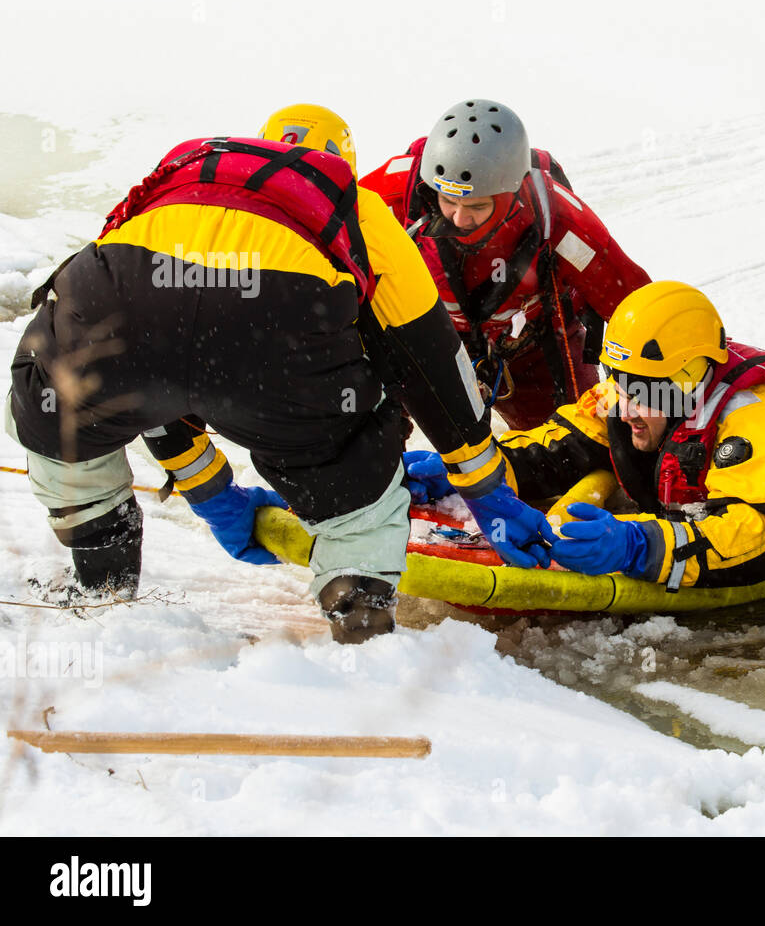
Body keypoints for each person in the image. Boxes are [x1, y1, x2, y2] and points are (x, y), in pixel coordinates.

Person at [6, 104, 555, 644]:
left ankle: (102, 589)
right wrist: (483, 486)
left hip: (115, 311)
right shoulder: (356, 205)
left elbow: (147, 353)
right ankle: (362, 626)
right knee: (354, 483)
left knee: (69, 414)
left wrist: (213, 494)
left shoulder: (180, 174)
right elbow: (427, 356)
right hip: (277, 327)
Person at [407, 281, 765, 589]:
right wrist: (474, 472)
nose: (626, 405)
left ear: (686, 383)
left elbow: (754, 536)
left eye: (643, 392)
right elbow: (557, 448)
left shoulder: (758, 412)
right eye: (619, 382)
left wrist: (639, 546)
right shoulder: (638, 387)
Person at [359, 99, 650, 430]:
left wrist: (684, 388)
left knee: (574, 443)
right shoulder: (389, 195)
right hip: (420, 345)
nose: (458, 217)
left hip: (530, 352)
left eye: (477, 206)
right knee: (361, 433)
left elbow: (637, 306)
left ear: (510, 191)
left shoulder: (558, 220)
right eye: (448, 200)